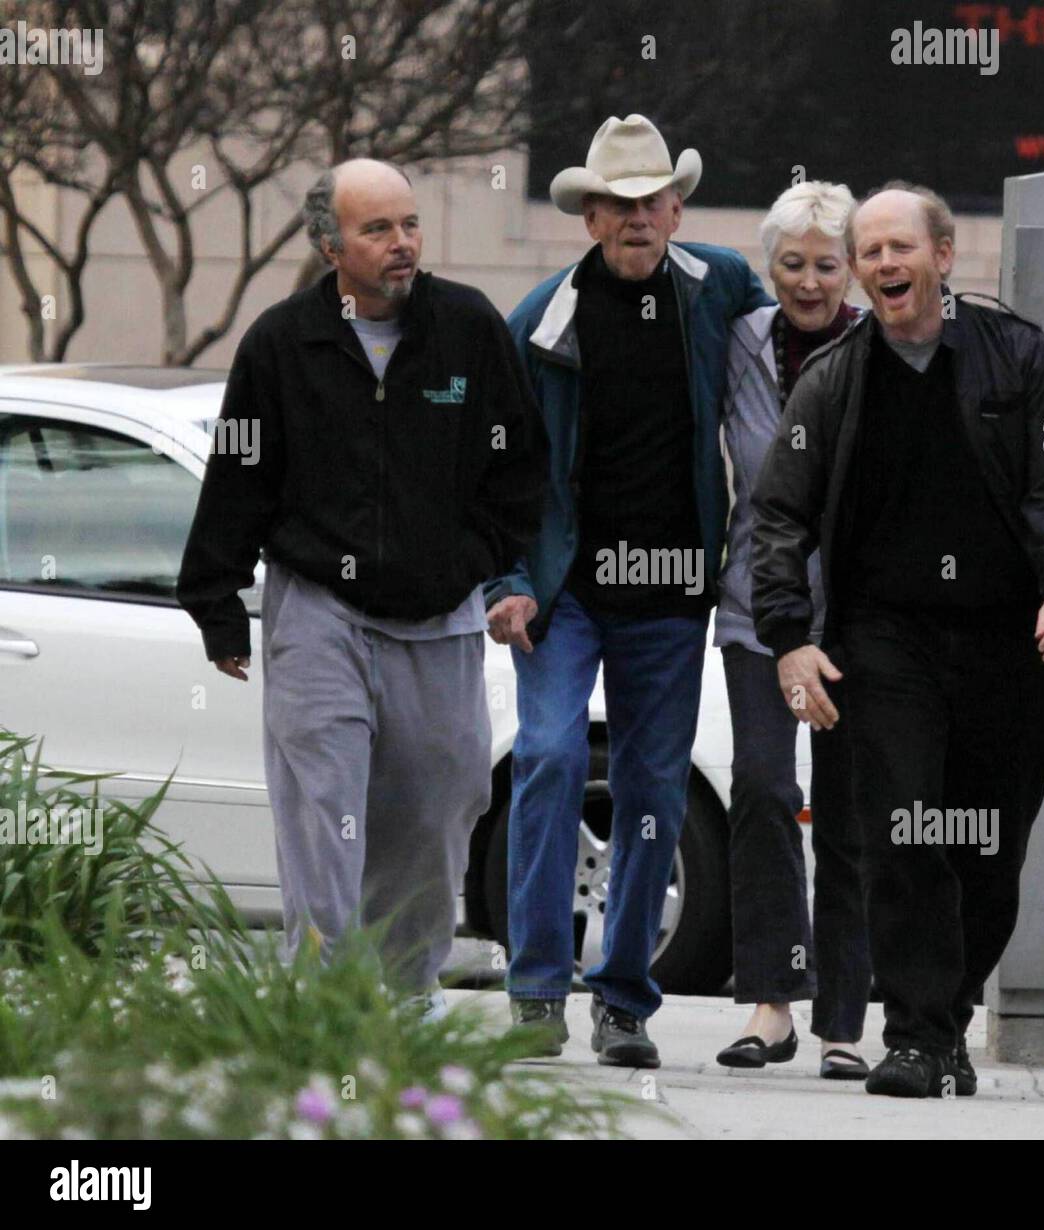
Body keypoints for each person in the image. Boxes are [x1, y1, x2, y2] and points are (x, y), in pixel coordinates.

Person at [751, 181, 1044, 1098]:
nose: (884, 265)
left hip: (1008, 640)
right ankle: (911, 1034)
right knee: (902, 830)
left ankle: (947, 1019)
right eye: (870, 252)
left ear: (944, 257)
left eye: (901, 248)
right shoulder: (834, 380)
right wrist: (789, 637)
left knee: (990, 846)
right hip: (886, 640)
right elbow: (776, 515)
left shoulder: (1019, 357)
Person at [177, 158, 547, 1016]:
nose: (402, 243)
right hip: (318, 613)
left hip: (440, 614)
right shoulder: (280, 342)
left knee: (441, 805)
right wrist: (217, 603)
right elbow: (240, 475)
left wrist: (490, 564)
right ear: (328, 243)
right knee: (323, 809)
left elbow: (518, 463)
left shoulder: (468, 328)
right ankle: (325, 1002)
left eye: (409, 224)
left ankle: (404, 991)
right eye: (378, 229)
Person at [484, 114, 770, 1067]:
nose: (639, 217)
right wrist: (511, 580)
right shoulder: (542, 320)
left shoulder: (721, 285)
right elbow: (506, 469)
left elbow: (790, 364)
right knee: (553, 759)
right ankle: (534, 990)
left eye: (653, 201)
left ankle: (624, 1004)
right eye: (619, 204)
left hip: (673, 593)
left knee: (653, 788)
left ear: (676, 208)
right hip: (565, 593)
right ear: (591, 218)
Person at [712, 181, 872, 1079]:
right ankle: (771, 1003)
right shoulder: (739, 343)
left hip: (852, 620)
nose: (808, 283)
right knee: (765, 790)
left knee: (844, 808)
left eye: (825, 264)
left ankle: (844, 1022)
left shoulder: (876, 346)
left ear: (848, 269)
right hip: (756, 610)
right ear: (768, 267)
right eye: (791, 265)